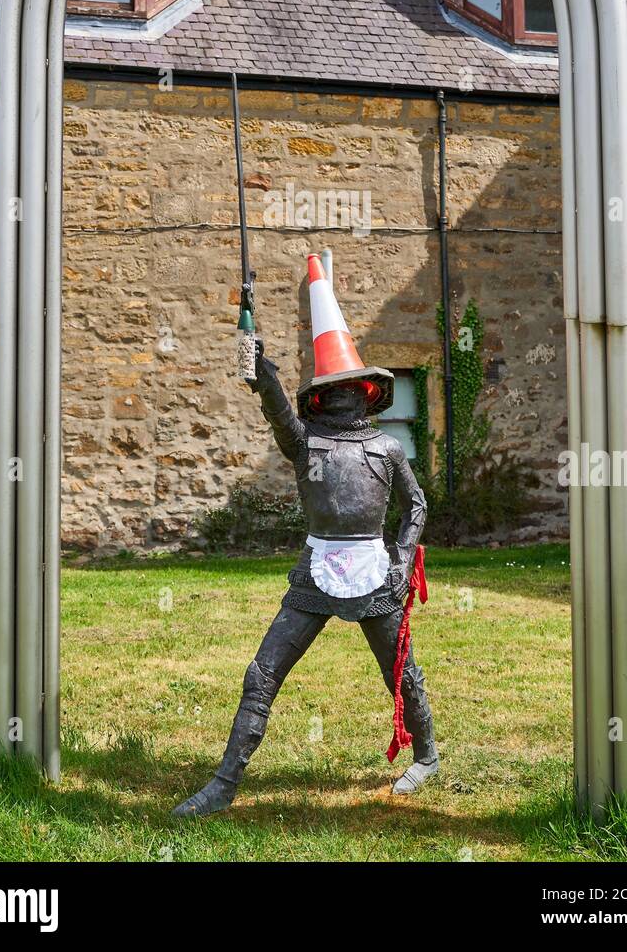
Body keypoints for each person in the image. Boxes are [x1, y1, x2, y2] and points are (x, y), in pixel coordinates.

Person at [172, 256, 438, 819]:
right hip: (316, 571)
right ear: (323, 395)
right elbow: (275, 411)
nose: (344, 395)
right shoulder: (305, 446)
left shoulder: (387, 450)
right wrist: (260, 364)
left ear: (367, 392)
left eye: (352, 387)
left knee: (401, 671)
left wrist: (400, 558)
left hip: (375, 571)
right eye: (335, 388)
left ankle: (428, 753)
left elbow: (416, 505)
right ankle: (224, 783)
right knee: (262, 673)